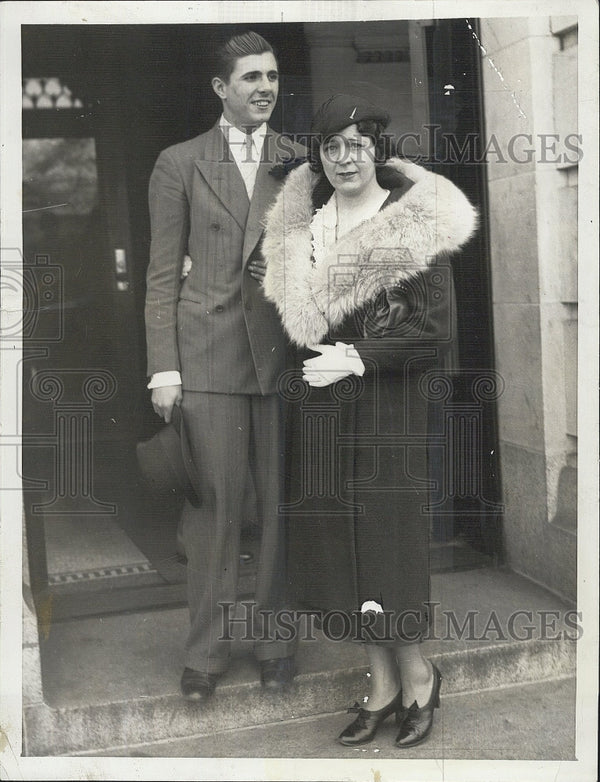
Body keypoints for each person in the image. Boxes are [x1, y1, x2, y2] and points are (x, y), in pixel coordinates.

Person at [261, 94, 477, 747]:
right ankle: (380, 685)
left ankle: (418, 678)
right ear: (319, 156)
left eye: (359, 143)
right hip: (321, 410)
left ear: (379, 150)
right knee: (338, 550)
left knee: (386, 544)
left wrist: (357, 356)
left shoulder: (413, 223)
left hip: (386, 406)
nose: (345, 156)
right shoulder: (304, 227)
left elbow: (432, 332)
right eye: (332, 145)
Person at [144, 31, 304, 702]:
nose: (264, 87)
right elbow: (160, 275)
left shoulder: (300, 160)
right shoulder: (179, 163)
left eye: (270, 76)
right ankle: (205, 654)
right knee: (214, 510)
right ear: (221, 88)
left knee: (275, 508)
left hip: (278, 357)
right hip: (206, 356)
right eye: (249, 78)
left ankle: (274, 642)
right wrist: (163, 370)